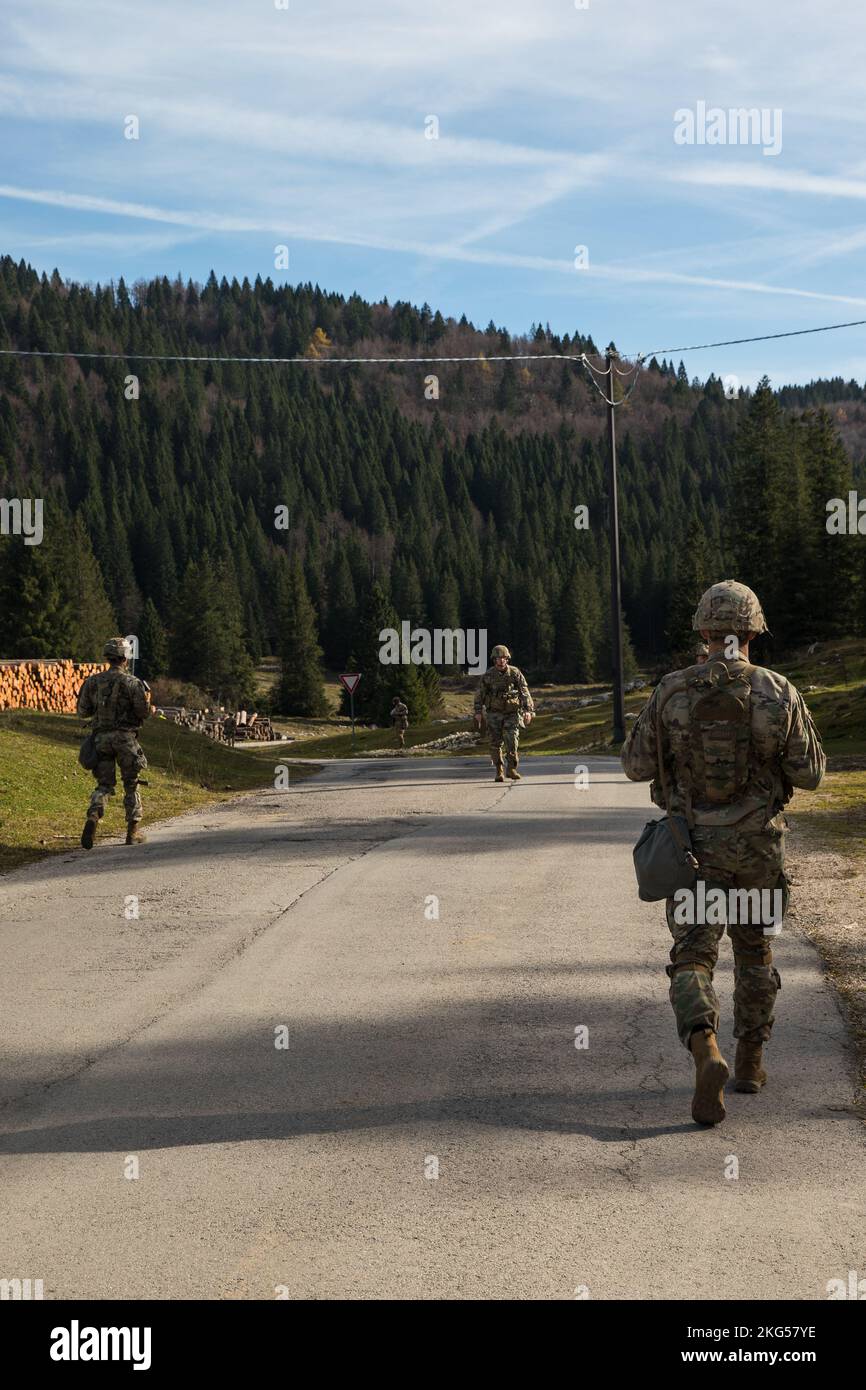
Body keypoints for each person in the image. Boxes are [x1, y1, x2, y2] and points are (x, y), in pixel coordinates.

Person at [621, 581, 825, 1126]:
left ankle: (705, 1047)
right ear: (754, 631)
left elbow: (635, 765)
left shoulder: (672, 690)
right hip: (758, 849)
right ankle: (751, 1062)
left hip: (693, 851)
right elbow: (811, 774)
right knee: (755, 952)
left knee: (693, 955)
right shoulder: (778, 690)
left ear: (705, 631)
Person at [77, 637, 152, 849]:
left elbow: (82, 711)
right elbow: (143, 713)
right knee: (131, 783)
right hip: (126, 739)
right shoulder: (133, 683)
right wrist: (148, 703)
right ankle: (132, 832)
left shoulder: (92, 682)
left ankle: (94, 815)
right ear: (125, 659)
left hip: (101, 739)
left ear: (108, 657)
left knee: (104, 784)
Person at [473, 644, 534, 782]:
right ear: (494, 659)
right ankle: (499, 770)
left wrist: (528, 710)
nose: (501, 660)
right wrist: (478, 712)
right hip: (494, 713)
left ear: (507, 659)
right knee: (495, 742)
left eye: (504, 658)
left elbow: (524, 692)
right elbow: (479, 694)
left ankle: (511, 769)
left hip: (512, 712)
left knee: (512, 740)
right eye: (498, 658)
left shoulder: (515, 673)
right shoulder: (488, 675)